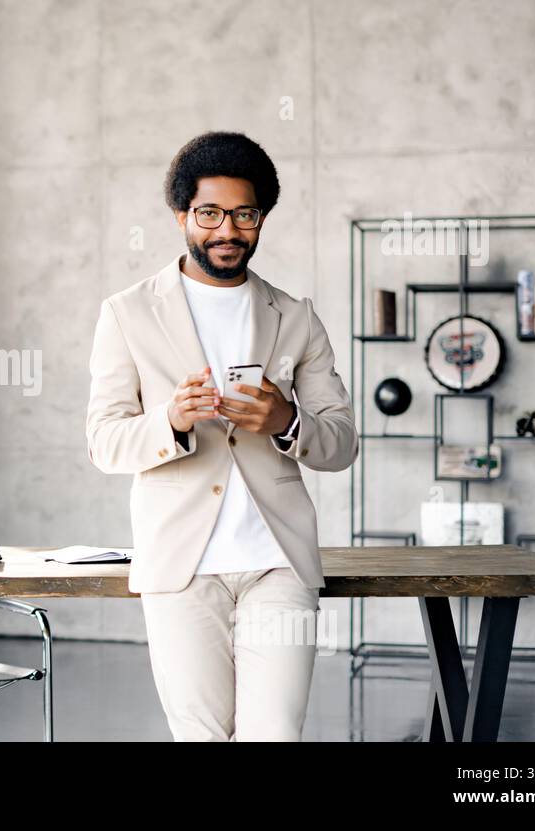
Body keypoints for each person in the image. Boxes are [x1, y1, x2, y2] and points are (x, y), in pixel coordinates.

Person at [85, 131, 358, 741]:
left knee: (275, 735)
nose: (227, 230)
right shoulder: (127, 313)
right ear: (182, 215)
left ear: (261, 219)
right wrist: (171, 422)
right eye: (209, 213)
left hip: (276, 566)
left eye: (245, 214)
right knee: (202, 736)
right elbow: (104, 441)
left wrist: (287, 422)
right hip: (181, 568)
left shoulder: (296, 317)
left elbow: (341, 442)